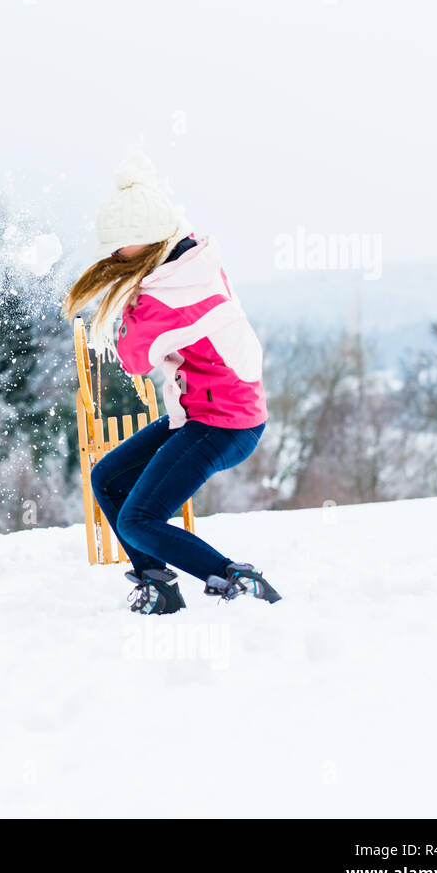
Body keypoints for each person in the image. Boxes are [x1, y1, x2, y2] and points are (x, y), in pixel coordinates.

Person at [62, 154, 281, 615]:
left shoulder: (170, 297)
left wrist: (128, 307)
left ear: (145, 242)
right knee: (108, 479)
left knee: (139, 519)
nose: (115, 257)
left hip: (225, 423)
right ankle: (157, 584)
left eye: (120, 247)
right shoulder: (191, 254)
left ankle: (238, 579)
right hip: (204, 411)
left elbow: (133, 360)